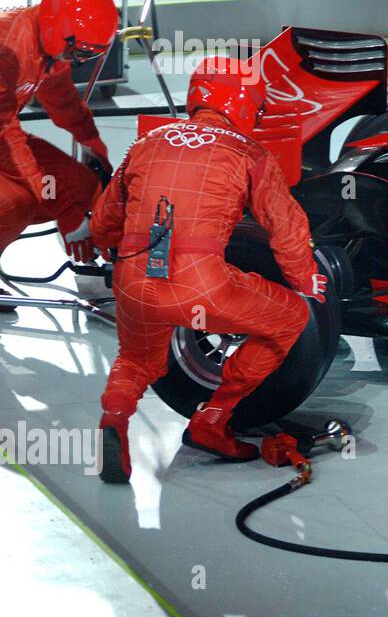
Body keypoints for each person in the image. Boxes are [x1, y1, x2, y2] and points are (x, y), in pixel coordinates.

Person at [90, 57, 324, 483]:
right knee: (291, 317)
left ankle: (115, 420)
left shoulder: (147, 142)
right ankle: (212, 420)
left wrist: (111, 253)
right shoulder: (249, 153)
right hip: (201, 282)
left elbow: (105, 220)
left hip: (133, 277)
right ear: (245, 103)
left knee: (136, 358)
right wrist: (306, 278)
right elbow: (286, 226)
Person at [0, 0, 117, 268]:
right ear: (60, 31)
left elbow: (61, 97)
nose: (79, 60)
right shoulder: (6, 49)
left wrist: (90, 140)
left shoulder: (45, 42)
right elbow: (5, 138)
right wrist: (63, 209)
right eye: (79, 52)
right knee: (15, 202)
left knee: (81, 186)